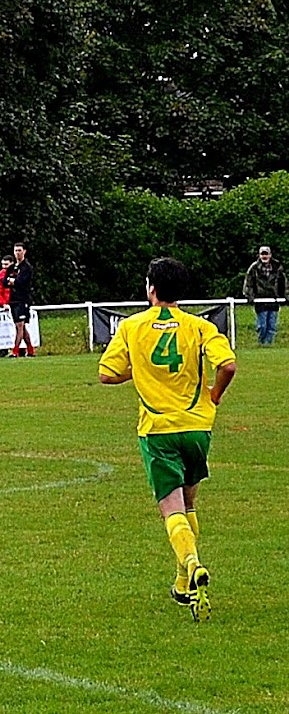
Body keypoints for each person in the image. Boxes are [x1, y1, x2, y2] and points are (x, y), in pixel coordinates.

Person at [98, 257, 236, 621]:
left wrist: (139, 372)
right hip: (197, 428)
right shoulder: (200, 326)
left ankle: (191, 563)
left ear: (151, 289)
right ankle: (182, 582)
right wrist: (216, 395)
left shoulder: (132, 326)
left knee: (171, 508)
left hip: (158, 431)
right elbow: (228, 365)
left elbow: (106, 374)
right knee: (189, 504)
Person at [242, 245, 284, 346]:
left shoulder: (277, 267)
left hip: (274, 300)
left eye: (266, 254)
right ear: (259, 255)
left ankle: (268, 345)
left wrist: (284, 296)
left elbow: (283, 282)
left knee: (272, 326)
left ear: (270, 255)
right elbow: (248, 283)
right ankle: (261, 344)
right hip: (260, 300)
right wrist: (250, 296)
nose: (264, 256)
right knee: (262, 325)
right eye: (262, 254)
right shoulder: (254, 268)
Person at [8, 242, 36, 357]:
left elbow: (21, 282)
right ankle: (30, 350)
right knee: (22, 327)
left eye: (19, 250)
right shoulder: (12, 267)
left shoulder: (27, 267)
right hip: (13, 300)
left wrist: (13, 281)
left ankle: (15, 351)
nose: (17, 253)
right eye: (15, 251)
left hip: (23, 299)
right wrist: (13, 281)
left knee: (19, 326)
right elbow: (5, 281)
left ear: (24, 251)